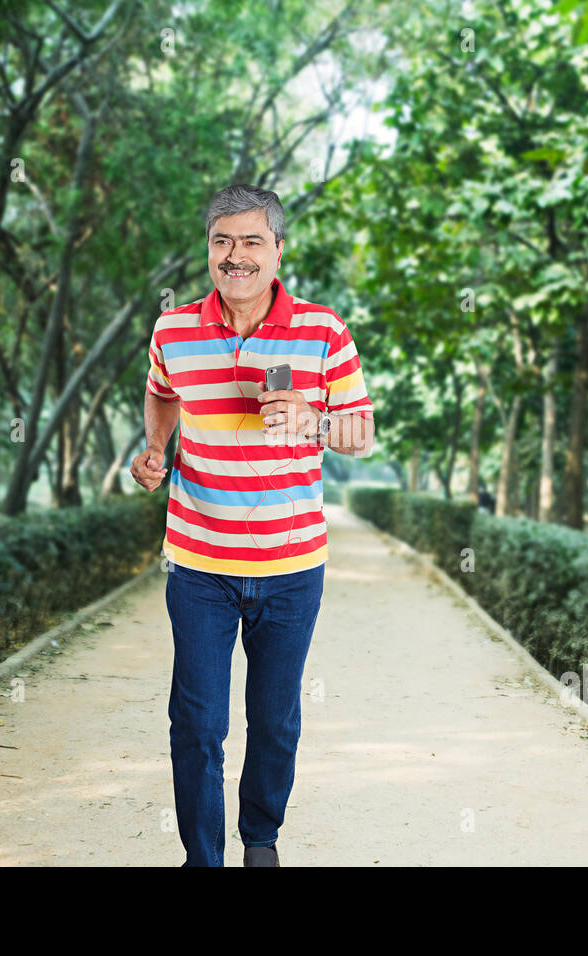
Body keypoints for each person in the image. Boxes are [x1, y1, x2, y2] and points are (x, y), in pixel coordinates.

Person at [130, 184, 376, 867]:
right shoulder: (172, 330)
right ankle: (201, 859)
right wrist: (156, 450)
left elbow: (363, 433)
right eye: (221, 242)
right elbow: (161, 393)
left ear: (277, 250)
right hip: (197, 559)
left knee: (274, 721)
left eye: (250, 242)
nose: (234, 257)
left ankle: (260, 838)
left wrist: (312, 420)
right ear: (209, 249)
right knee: (198, 723)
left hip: (293, 566)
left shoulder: (323, 331)